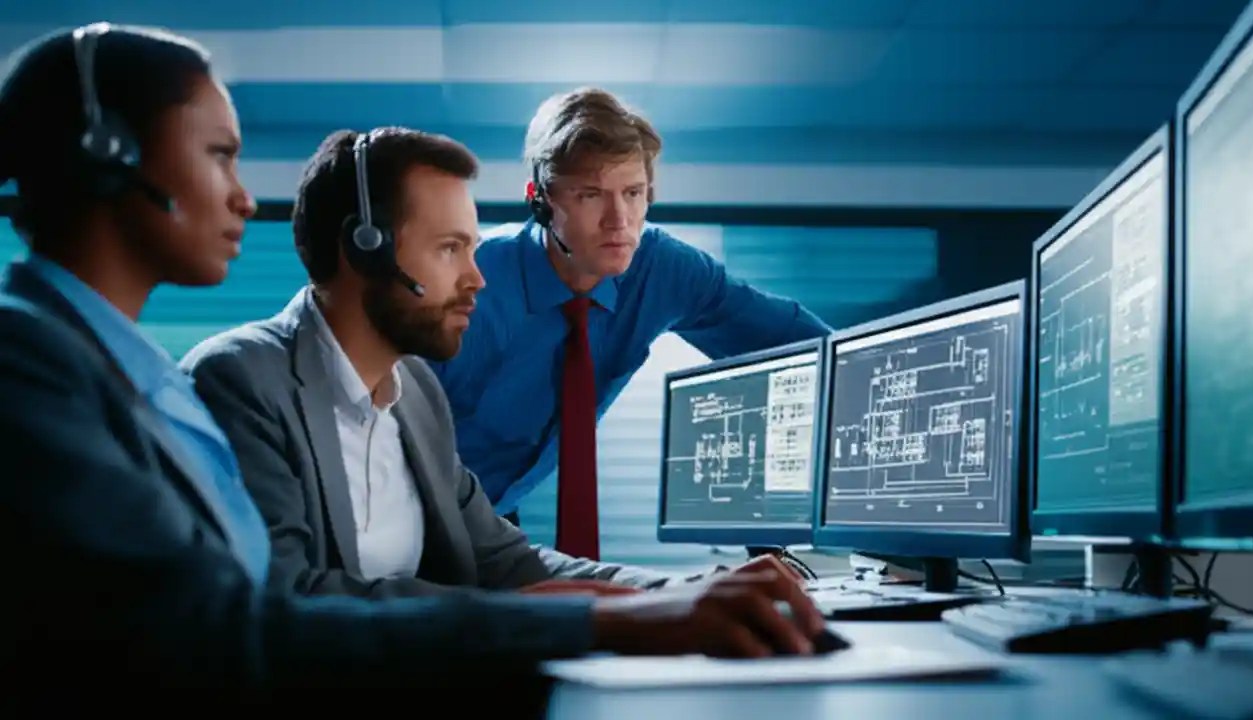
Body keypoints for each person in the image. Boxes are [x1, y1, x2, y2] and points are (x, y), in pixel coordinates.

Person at [0, 24, 827, 692]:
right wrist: (599, 619)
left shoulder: (388, 393)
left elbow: (496, 556)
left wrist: (674, 593)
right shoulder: (46, 365)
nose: (246, 196)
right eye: (219, 155)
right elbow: (240, 618)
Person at [180, 126, 738, 598]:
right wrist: (561, 618)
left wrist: (683, 592)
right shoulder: (239, 379)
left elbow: (504, 560)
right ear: (365, 248)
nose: (476, 279)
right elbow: (289, 595)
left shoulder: (415, 393)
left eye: (472, 249)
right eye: (450, 249)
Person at [426, 87, 833, 559]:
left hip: (494, 517)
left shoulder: (660, 267)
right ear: (540, 200)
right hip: (417, 513)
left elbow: (800, 345)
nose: (619, 221)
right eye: (591, 195)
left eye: (634, 193)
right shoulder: (471, 288)